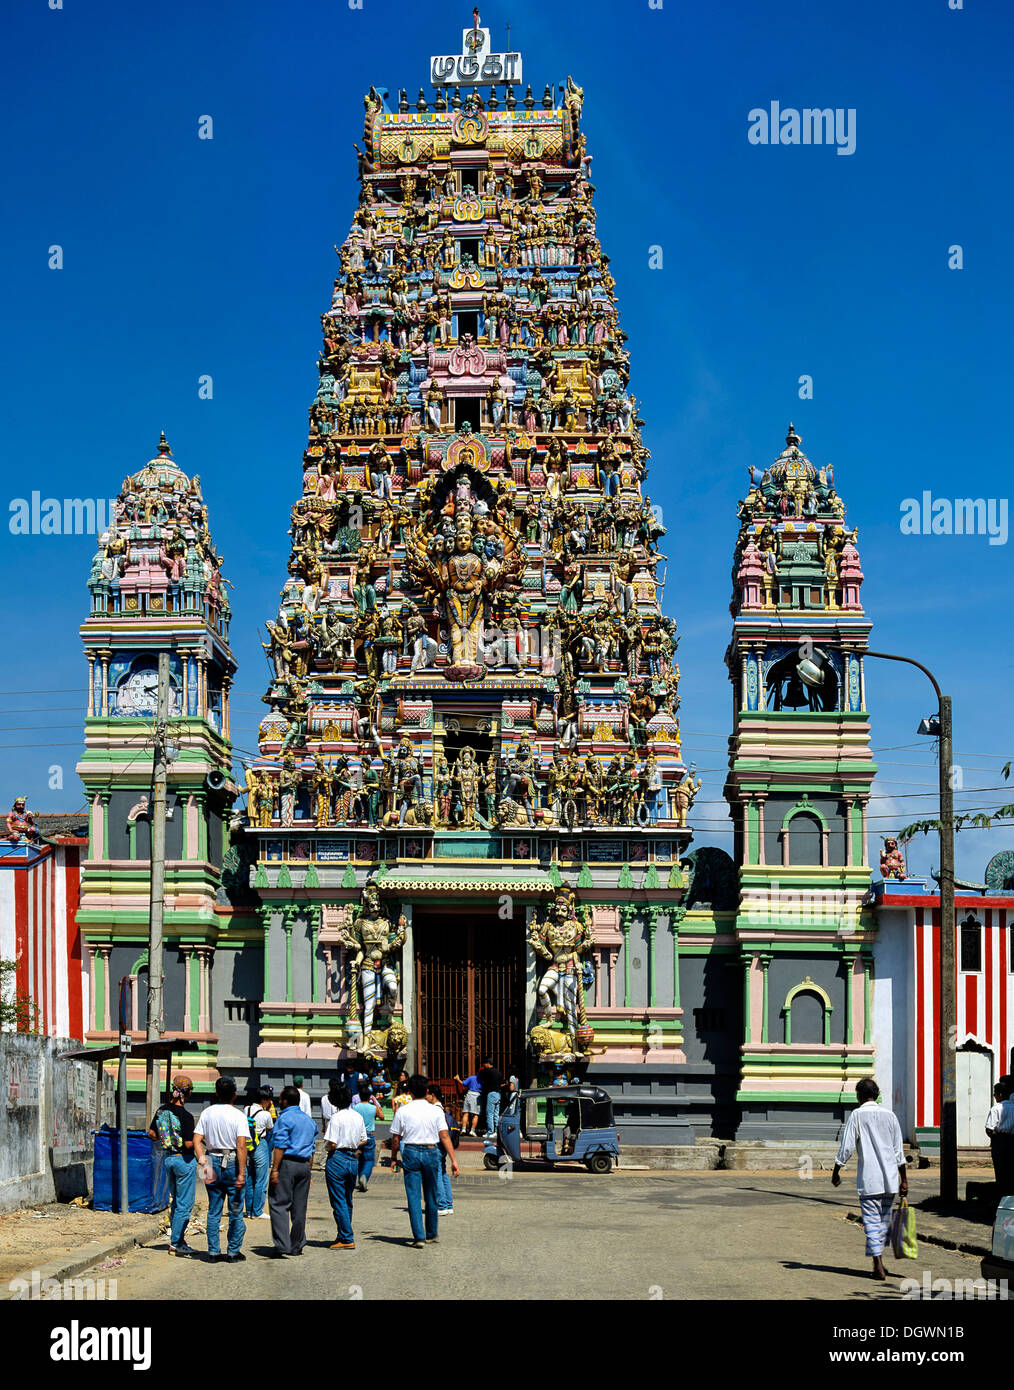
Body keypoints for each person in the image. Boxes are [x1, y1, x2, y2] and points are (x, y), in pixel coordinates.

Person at [831, 1077, 907, 1281]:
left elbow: (847, 1147)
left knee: (873, 1223)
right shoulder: (890, 1115)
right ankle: (879, 1261)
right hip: (890, 1180)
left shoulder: (857, 1115)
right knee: (882, 1222)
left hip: (870, 1181)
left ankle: (878, 1264)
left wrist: (836, 1169)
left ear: (860, 1096)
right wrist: (904, 1180)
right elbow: (899, 1151)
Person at [389, 1074, 459, 1247]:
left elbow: (396, 1139)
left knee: (413, 1196)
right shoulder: (435, 1110)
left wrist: (393, 1158)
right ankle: (431, 1232)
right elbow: (444, 1136)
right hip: (431, 1151)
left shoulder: (403, 1111)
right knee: (431, 1194)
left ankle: (419, 1237)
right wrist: (453, 1160)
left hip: (411, 1151)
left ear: (410, 1091)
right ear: (427, 1090)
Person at [193, 1076, 249, 1263]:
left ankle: (213, 1253)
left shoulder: (207, 1113)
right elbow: (241, 1146)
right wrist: (241, 1174)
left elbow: (196, 1140)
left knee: (214, 1209)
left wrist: (203, 1163)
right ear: (234, 1094)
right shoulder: (239, 1116)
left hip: (211, 1162)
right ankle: (233, 1252)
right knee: (235, 1210)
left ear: (216, 1093)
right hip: (232, 1162)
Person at [148, 1074, 197, 1256]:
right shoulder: (187, 1116)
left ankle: (178, 1239)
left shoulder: (161, 1111)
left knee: (176, 1201)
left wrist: (166, 1139)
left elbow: (151, 1133)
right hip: (183, 1160)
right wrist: (201, 1140)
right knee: (184, 1204)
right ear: (187, 1093)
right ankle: (176, 1242)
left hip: (167, 1158)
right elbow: (188, 1144)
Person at [268, 1084, 319, 1258]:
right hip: (304, 1165)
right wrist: (309, 1171)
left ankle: (282, 1244)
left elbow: (280, 1146)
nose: (278, 1101)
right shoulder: (309, 1120)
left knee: (278, 1203)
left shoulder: (284, 1119)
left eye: (280, 1099)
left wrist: (275, 1169)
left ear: (285, 1101)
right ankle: (297, 1245)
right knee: (299, 1207)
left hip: (287, 1164)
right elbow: (312, 1149)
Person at [323, 1083, 368, 1250]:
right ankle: (343, 1233)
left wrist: (327, 1149)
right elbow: (364, 1139)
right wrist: (353, 1142)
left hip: (338, 1157)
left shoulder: (336, 1118)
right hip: (353, 1158)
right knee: (347, 1199)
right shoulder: (357, 1116)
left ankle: (347, 1236)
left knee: (338, 1199)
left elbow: (332, 1143)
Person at [243, 1087, 275, 1220]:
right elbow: (270, 1128)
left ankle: (249, 1210)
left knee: (250, 1178)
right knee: (261, 1179)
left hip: (247, 1145)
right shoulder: (266, 1114)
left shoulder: (246, 1109)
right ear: (264, 1100)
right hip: (260, 1144)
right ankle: (257, 1211)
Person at [427, 1083, 455, 1215]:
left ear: (432, 1095)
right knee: (442, 1173)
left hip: (437, 1145)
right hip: (442, 1146)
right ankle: (448, 1204)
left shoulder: (434, 1110)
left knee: (436, 1175)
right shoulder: (441, 1108)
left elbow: (441, 1133)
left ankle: (442, 1205)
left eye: (427, 1094)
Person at [352, 1081, 380, 1192]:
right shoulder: (373, 1108)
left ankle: (360, 1178)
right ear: (369, 1097)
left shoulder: (355, 1107)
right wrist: (375, 1103)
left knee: (359, 1159)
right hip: (369, 1135)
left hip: (358, 1136)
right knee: (369, 1160)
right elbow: (381, 1116)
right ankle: (364, 1176)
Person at [993, 1075, 1014, 1196]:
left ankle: (1003, 1195)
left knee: (1001, 1170)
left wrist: (995, 1137)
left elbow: (989, 1129)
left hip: (1001, 1139)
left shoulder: (998, 1107)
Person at [478, 1057, 503, 1139]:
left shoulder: (487, 1071)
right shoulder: (498, 1072)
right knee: (496, 1114)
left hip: (491, 1094)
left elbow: (480, 1073)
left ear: (488, 1063)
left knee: (490, 1113)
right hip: (498, 1094)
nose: (483, 1065)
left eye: (484, 1064)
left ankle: (490, 1132)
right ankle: (496, 1131)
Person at [454, 1070, 482, 1137]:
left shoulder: (471, 1078)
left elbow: (463, 1083)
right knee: (476, 1114)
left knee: (466, 1113)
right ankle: (472, 1131)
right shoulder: (483, 1079)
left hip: (469, 1095)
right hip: (477, 1095)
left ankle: (463, 1129)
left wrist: (458, 1079)